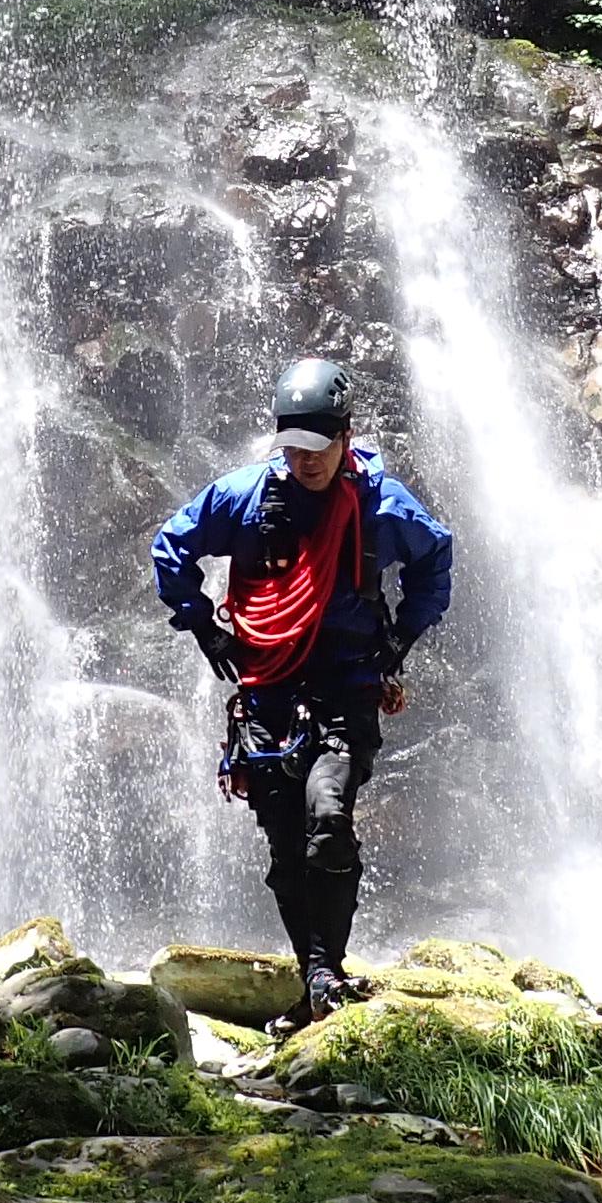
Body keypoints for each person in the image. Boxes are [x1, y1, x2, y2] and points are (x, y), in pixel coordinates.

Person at [148, 357, 454, 1025]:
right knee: (286, 845)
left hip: (345, 685)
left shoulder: (378, 505)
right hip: (267, 691)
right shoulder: (244, 497)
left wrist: (399, 640)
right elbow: (170, 551)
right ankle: (317, 977)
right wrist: (207, 629)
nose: (306, 462)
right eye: (293, 448)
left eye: (318, 448)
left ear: (346, 435)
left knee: (327, 819)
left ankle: (325, 973)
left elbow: (434, 559)